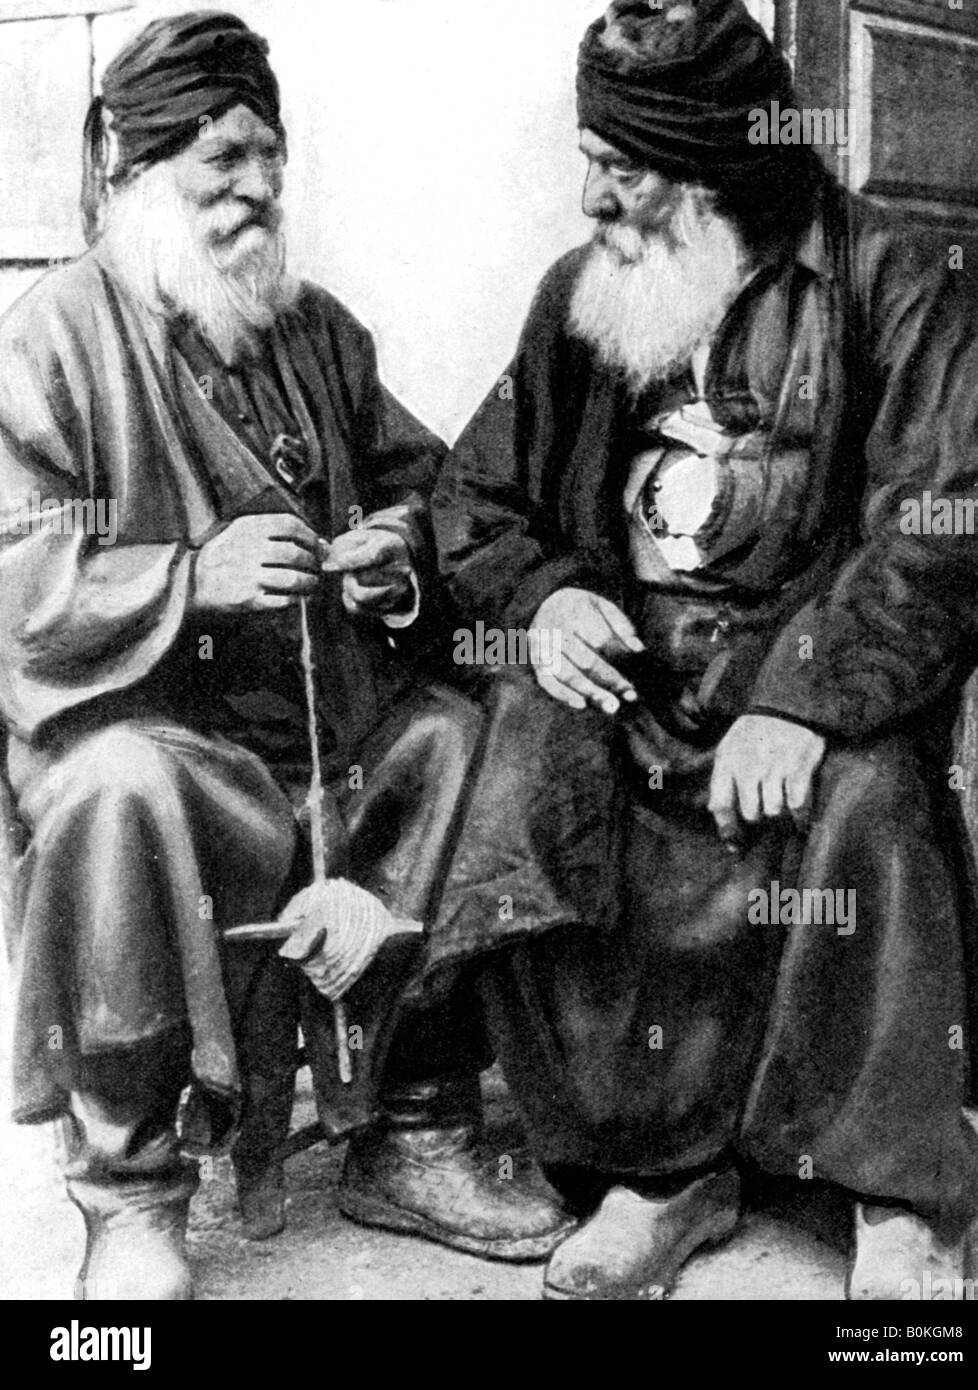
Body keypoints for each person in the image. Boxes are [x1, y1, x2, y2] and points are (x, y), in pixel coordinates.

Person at [430, 0, 978, 1300]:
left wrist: (802, 699)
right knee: (527, 753)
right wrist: (543, 598)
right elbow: (473, 496)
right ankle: (660, 1168)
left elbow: (956, 526)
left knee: (856, 799)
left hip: (821, 688)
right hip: (643, 682)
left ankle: (894, 1192)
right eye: (589, 155)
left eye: (621, 167)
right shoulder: (583, 294)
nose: (590, 197)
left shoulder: (888, 282)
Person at [0, 11, 568, 1300]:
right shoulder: (47, 345)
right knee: (116, 794)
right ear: (129, 173)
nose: (259, 189)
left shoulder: (316, 330)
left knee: (466, 734)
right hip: (156, 738)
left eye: (272, 158)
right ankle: (132, 1192)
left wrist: (397, 551)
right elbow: (13, 585)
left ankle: (412, 1125)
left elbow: (431, 485)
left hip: (328, 730)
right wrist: (189, 581)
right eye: (224, 161)